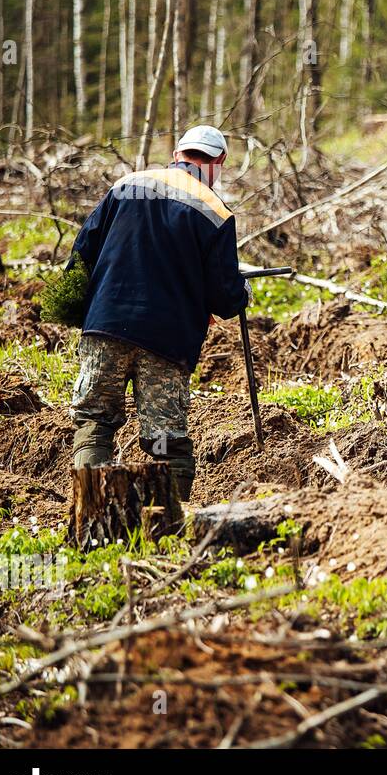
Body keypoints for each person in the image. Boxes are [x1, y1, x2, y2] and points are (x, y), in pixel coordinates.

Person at [68, 125, 250, 500]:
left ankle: (92, 516)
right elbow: (225, 298)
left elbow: (81, 256)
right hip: (165, 342)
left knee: (95, 422)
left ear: (178, 154)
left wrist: (83, 314)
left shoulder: (125, 185)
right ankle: (167, 527)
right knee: (165, 439)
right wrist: (241, 291)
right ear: (218, 162)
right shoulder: (214, 210)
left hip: (105, 328)